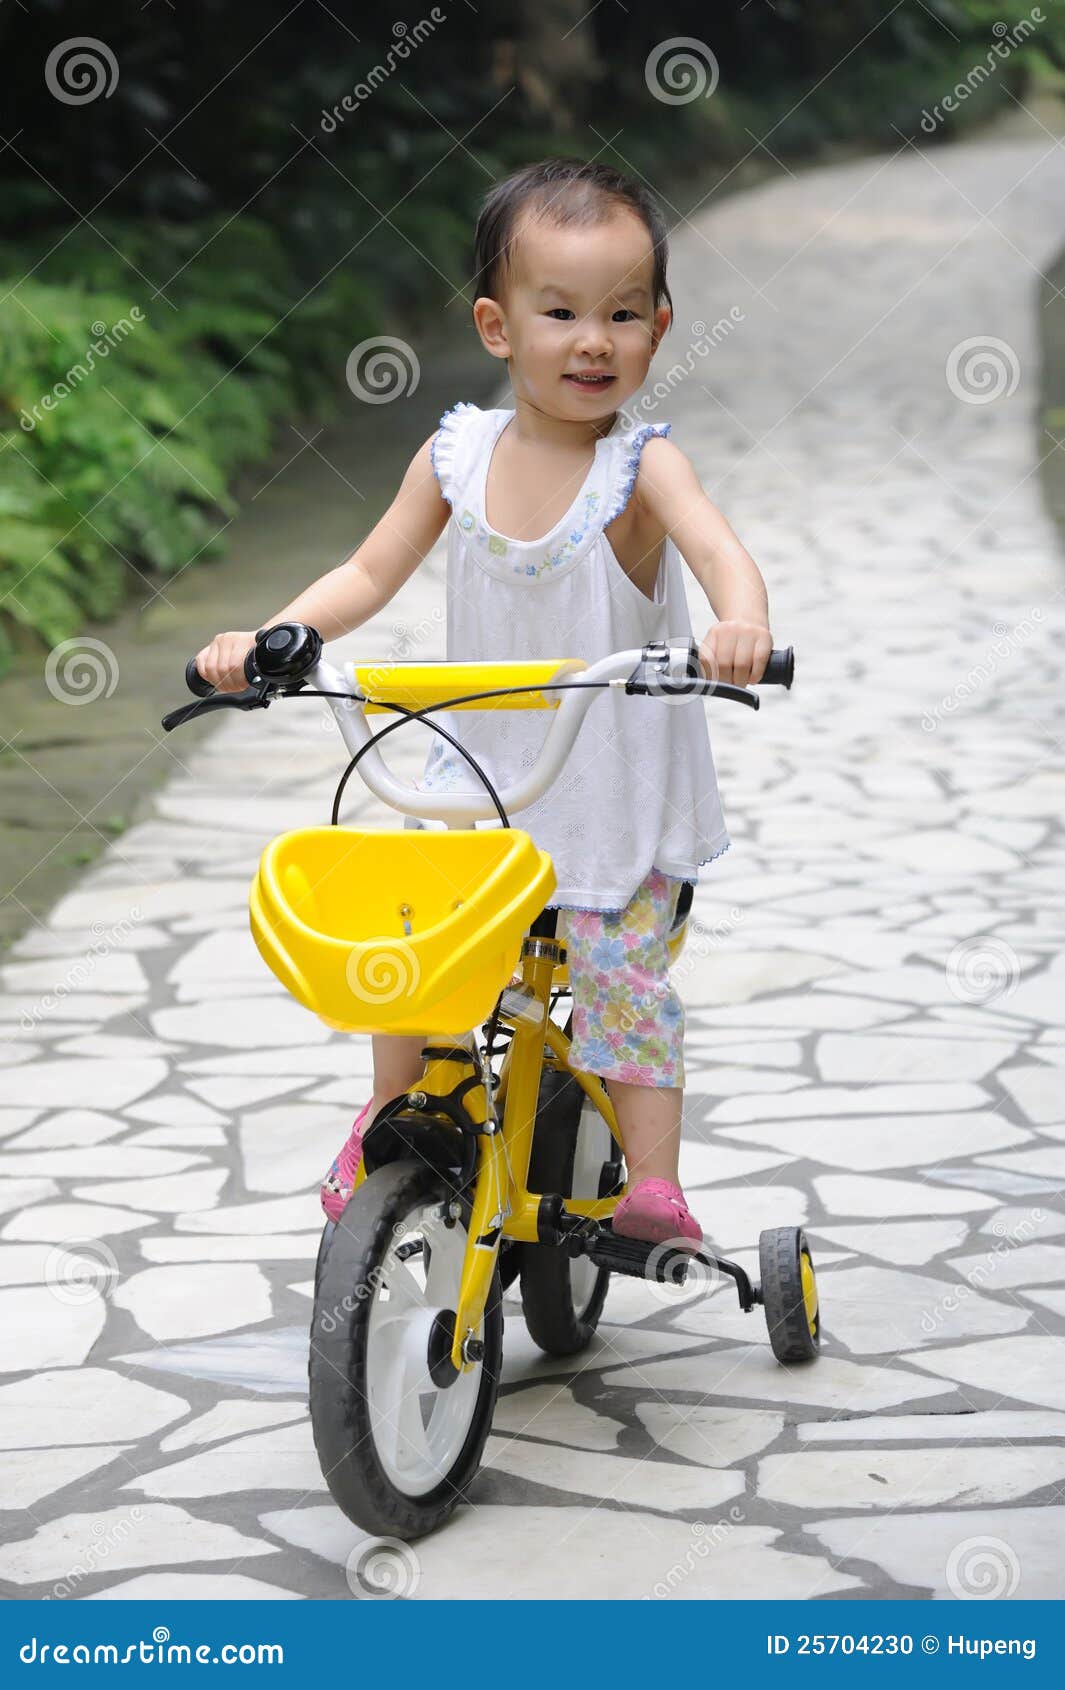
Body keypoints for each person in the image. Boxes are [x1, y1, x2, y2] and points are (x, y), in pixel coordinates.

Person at [196, 158, 773, 1250]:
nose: (591, 340)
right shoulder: (454, 456)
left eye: (620, 314)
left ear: (658, 328)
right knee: (411, 946)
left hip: (611, 791)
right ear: (497, 326)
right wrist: (277, 639)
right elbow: (366, 575)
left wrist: (736, 625)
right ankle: (394, 1107)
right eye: (559, 312)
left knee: (621, 986)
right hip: (486, 778)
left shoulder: (643, 469)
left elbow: (719, 551)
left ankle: (653, 1185)